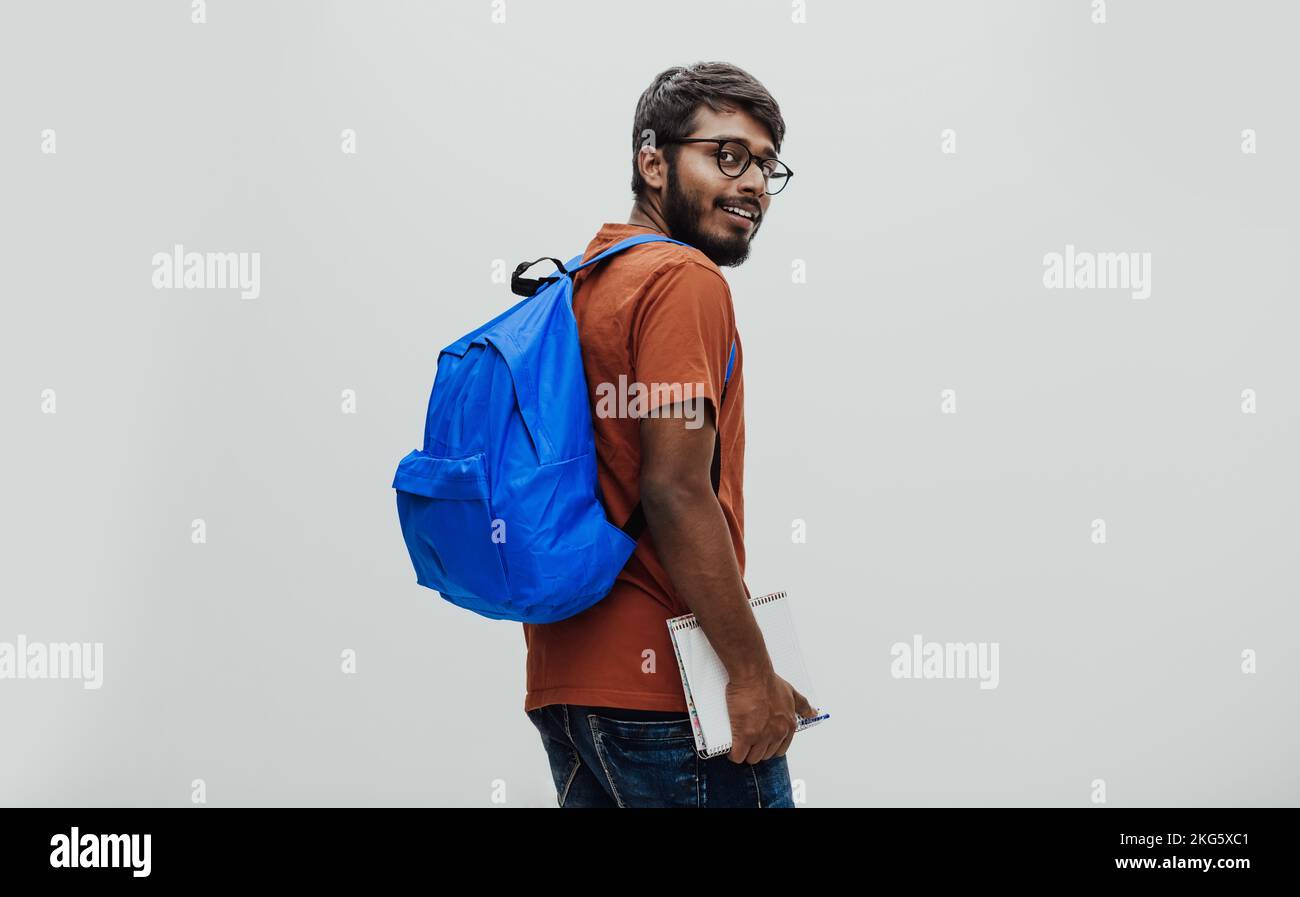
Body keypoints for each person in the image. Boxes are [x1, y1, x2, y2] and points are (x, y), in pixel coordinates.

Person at [522, 61, 812, 808]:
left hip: (568, 686)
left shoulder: (587, 279)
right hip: (671, 696)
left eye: (767, 165)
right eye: (727, 154)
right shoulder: (683, 280)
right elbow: (676, 488)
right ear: (653, 162)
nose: (752, 180)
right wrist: (750, 675)